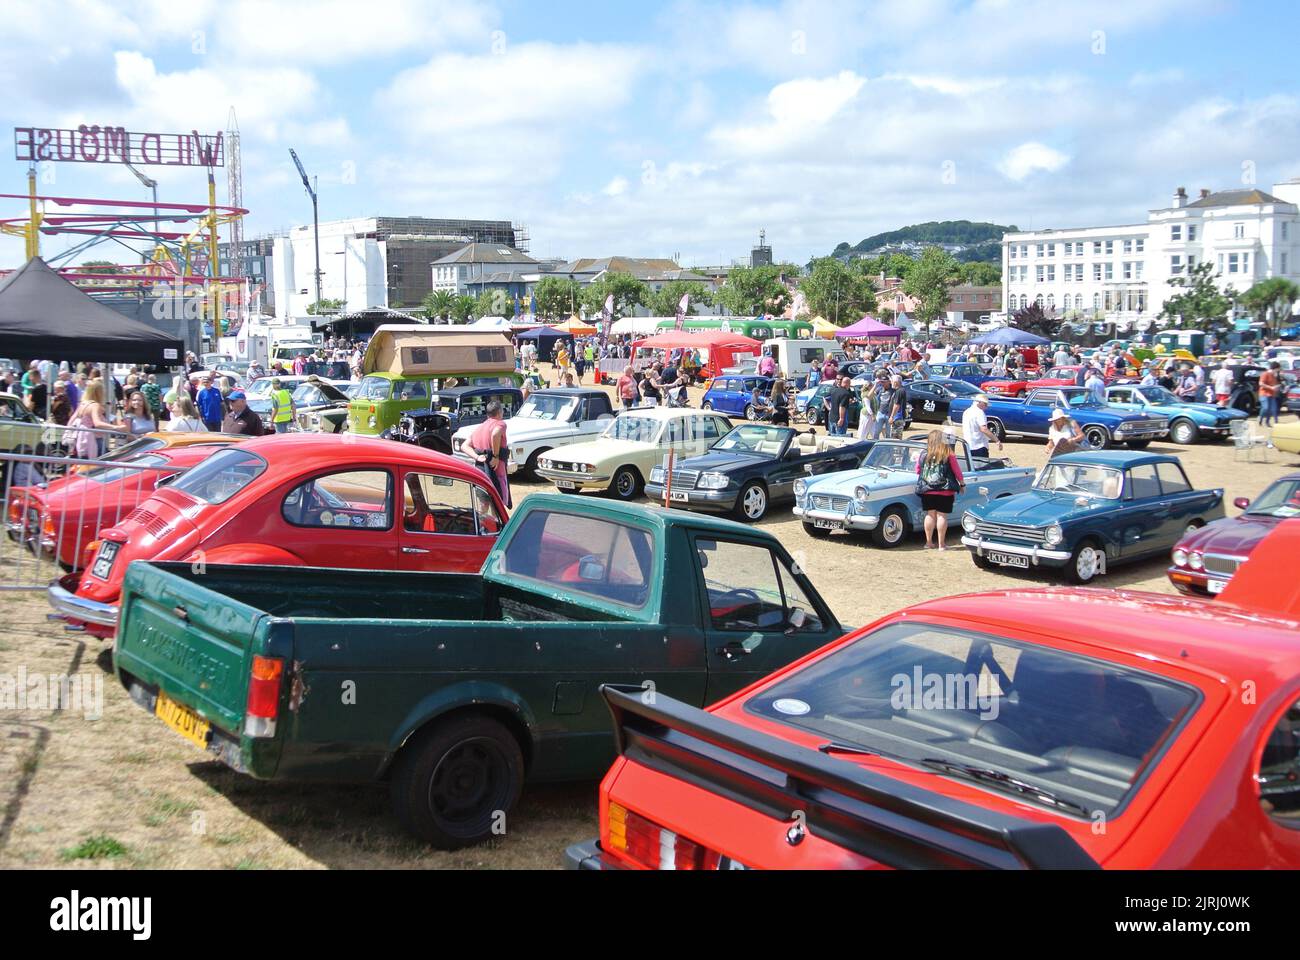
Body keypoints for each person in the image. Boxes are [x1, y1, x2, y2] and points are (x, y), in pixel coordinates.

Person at [915, 429, 965, 550]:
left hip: (927, 489)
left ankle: (928, 542)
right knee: (942, 516)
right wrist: (962, 484)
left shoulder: (923, 454)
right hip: (945, 490)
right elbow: (957, 471)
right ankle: (941, 544)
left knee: (930, 515)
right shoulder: (948, 453)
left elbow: (917, 470)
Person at [468, 400, 511, 508]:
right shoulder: (500, 423)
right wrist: (496, 456)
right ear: (500, 412)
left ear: (487, 414)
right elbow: (495, 434)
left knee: (484, 504)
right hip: (497, 471)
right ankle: (498, 525)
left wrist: (477, 457)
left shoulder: (480, 428)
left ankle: (483, 524)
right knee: (499, 503)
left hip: (481, 470)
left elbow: (464, 445)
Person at [66, 378, 119, 459]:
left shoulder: (83, 404)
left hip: (81, 439)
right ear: (99, 393)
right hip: (94, 441)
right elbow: (97, 423)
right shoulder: (95, 406)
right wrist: (116, 427)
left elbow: (71, 420)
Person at [962, 394, 1001, 460]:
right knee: (982, 466)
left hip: (968, 445)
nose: (986, 407)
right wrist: (996, 440)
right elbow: (983, 429)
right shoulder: (979, 412)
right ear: (980, 403)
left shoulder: (966, 411)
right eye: (985, 404)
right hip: (979, 446)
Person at [1259, 362, 1281, 428]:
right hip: (1264, 394)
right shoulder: (1265, 374)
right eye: (1278, 368)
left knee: (1273, 409)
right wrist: (1271, 387)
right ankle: (1260, 418)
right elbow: (1261, 383)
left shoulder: (1274, 376)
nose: (1279, 370)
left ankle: (1267, 422)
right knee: (1266, 408)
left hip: (1272, 395)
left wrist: (1277, 387)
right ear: (1275, 368)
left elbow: (1274, 385)